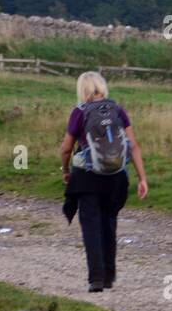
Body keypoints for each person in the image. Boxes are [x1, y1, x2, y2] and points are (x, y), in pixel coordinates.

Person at [60, 72, 148, 292]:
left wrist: (65, 170)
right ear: (102, 87)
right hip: (115, 177)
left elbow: (66, 148)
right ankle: (109, 276)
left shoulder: (79, 112)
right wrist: (142, 177)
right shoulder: (117, 110)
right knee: (109, 224)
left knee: (91, 227)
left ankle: (96, 279)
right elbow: (132, 145)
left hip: (87, 178)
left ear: (83, 89)